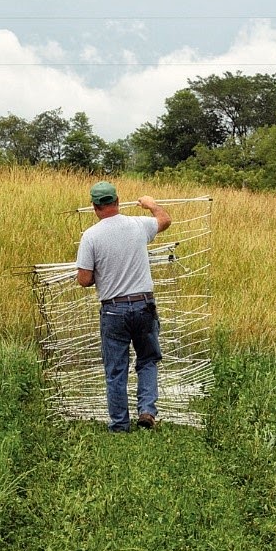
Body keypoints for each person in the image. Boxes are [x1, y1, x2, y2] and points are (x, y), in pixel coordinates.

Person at [75, 181, 171, 433]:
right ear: (117, 201)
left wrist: (102, 273)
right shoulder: (138, 225)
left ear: (95, 207)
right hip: (143, 305)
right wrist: (151, 204)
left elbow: (84, 279)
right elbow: (165, 220)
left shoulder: (91, 236)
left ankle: (119, 425)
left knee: (116, 369)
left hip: (113, 310)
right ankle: (147, 411)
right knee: (147, 359)